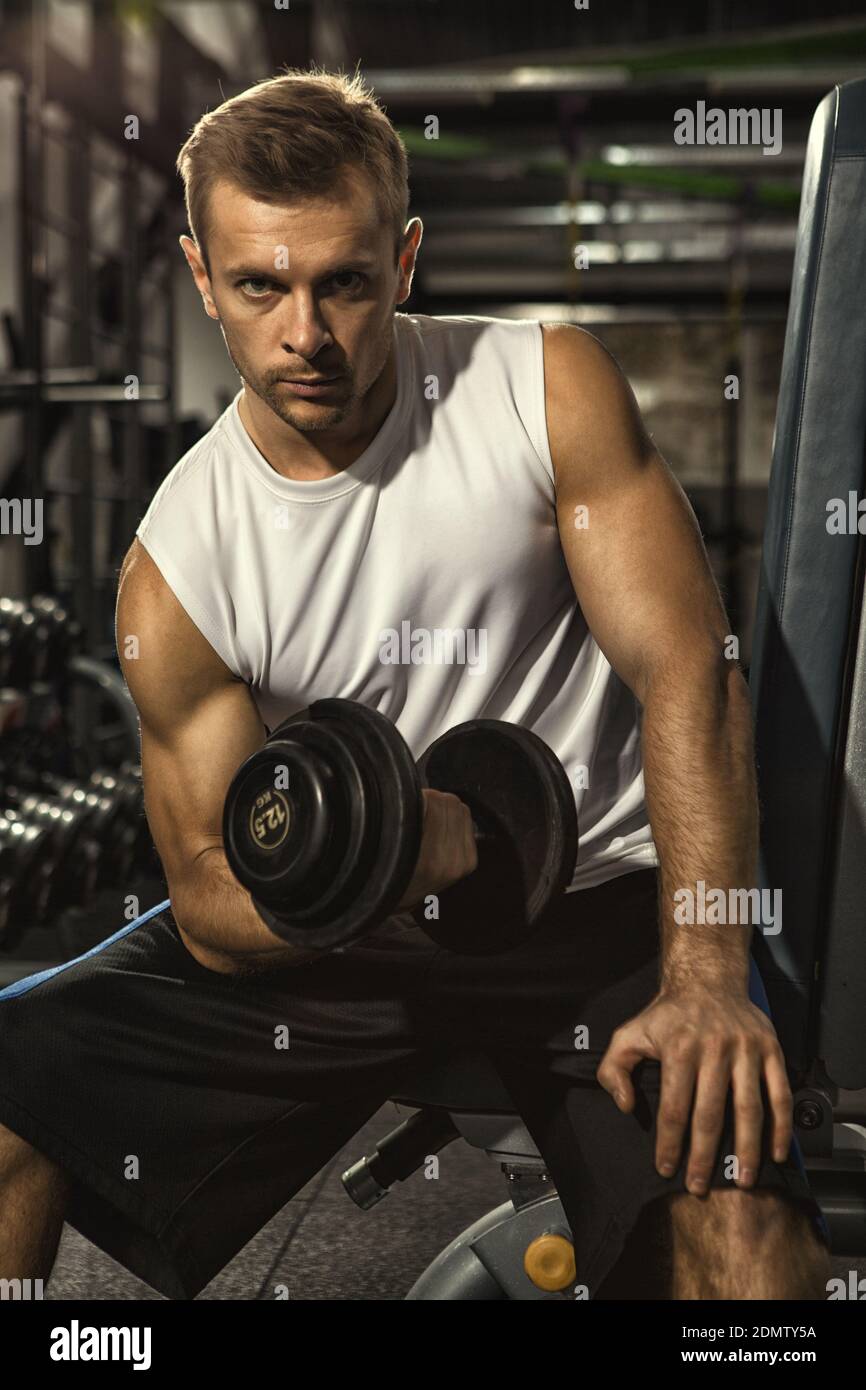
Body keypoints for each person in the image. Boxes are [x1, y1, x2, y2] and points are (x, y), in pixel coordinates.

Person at [0, 68, 830, 1301]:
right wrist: (389, 862)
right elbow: (212, 902)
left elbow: (686, 680)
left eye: (341, 280)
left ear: (402, 258)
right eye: (258, 287)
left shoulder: (539, 391)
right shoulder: (178, 566)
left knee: (743, 1235)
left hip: (596, 912)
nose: (304, 333)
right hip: (346, 940)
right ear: (198, 276)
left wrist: (706, 976)